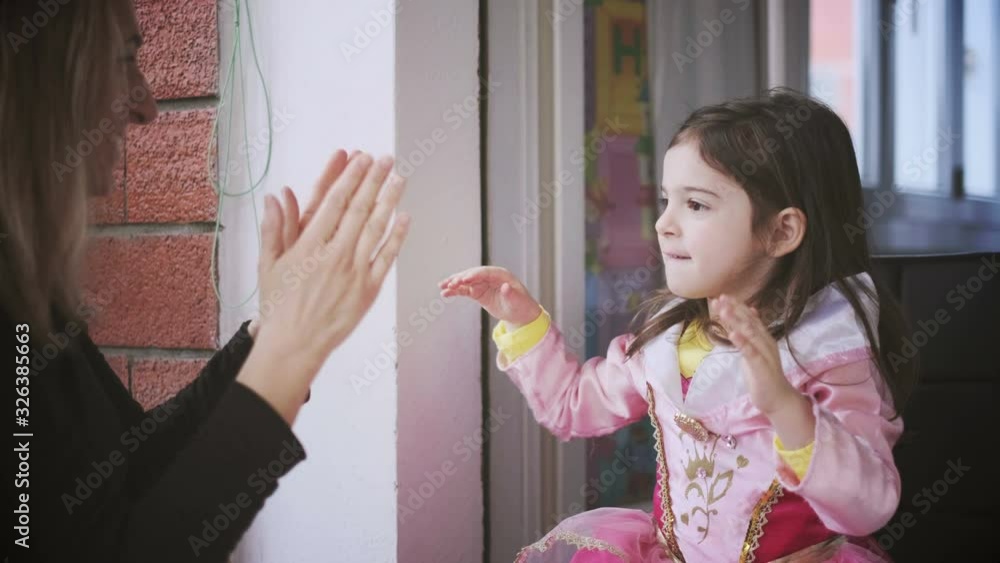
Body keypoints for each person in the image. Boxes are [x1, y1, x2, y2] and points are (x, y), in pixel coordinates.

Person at [2, 1, 409, 561]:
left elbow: (130, 475)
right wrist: (288, 355)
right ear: (40, 77)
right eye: (123, 61)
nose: (146, 105)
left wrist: (272, 333)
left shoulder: (31, 300)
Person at [441, 89, 916, 562]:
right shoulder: (666, 339)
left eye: (697, 205)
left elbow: (867, 508)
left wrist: (785, 406)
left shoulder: (829, 353)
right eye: (667, 200)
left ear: (781, 231)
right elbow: (574, 407)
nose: (664, 223)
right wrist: (524, 324)